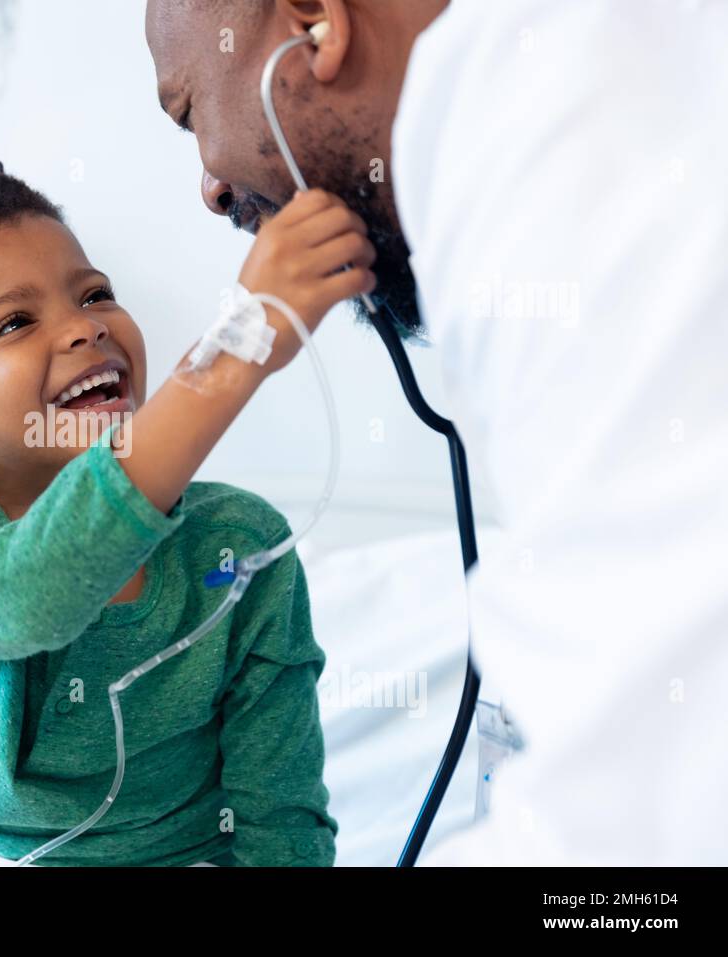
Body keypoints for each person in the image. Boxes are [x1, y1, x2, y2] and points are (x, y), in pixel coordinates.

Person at [147, 0, 728, 864]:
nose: (213, 188)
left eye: (189, 109)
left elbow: (629, 833)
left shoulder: (538, 115)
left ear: (314, 21)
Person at [0, 159, 376, 865]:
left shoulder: (239, 547)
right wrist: (234, 351)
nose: (85, 329)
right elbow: (25, 596)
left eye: (95, 294)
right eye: (14, 322)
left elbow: (279, 814)